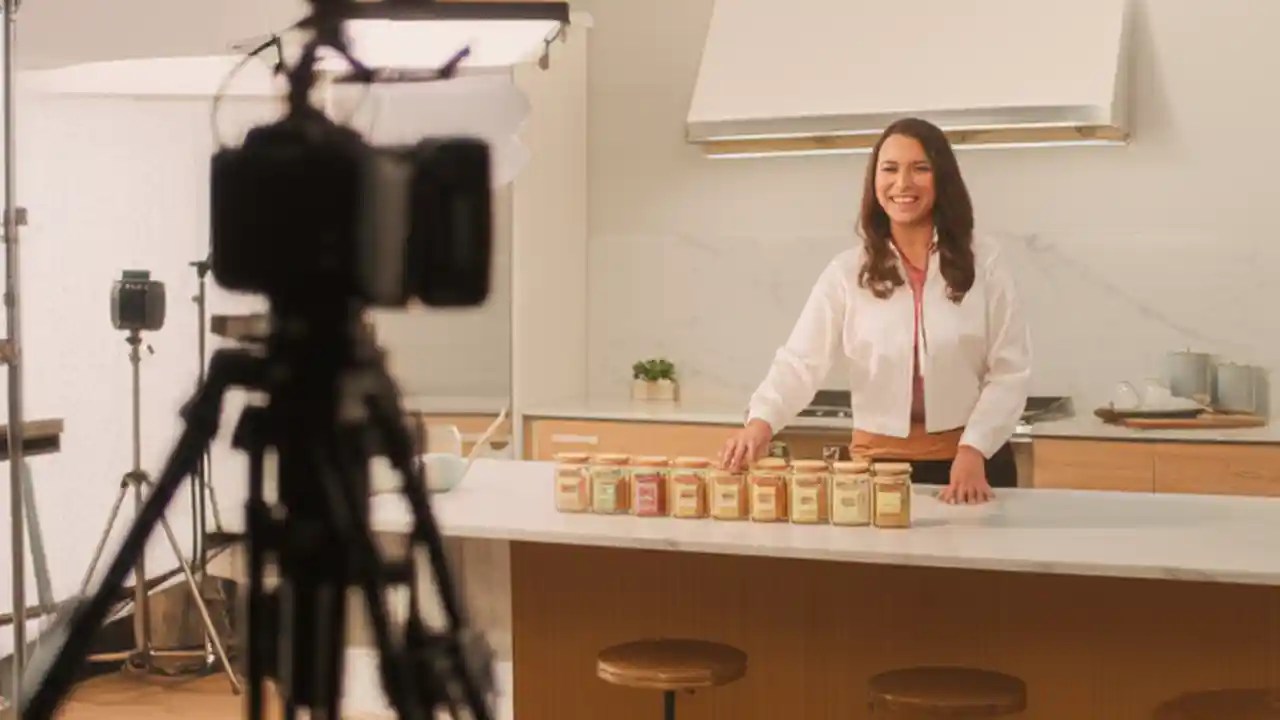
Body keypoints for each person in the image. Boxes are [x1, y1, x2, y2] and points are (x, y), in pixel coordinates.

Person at [719, 117, 1031, 504]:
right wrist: (760, 423)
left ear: (943, 178)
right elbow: (800, 362)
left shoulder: (985, 263)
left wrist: (974, 449)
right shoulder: (846, 272)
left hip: (973, 467)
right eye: (890, 169)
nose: (903, 183)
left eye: (920, 168)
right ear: (874, 181)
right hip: (877, 469)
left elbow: (1010, 370)